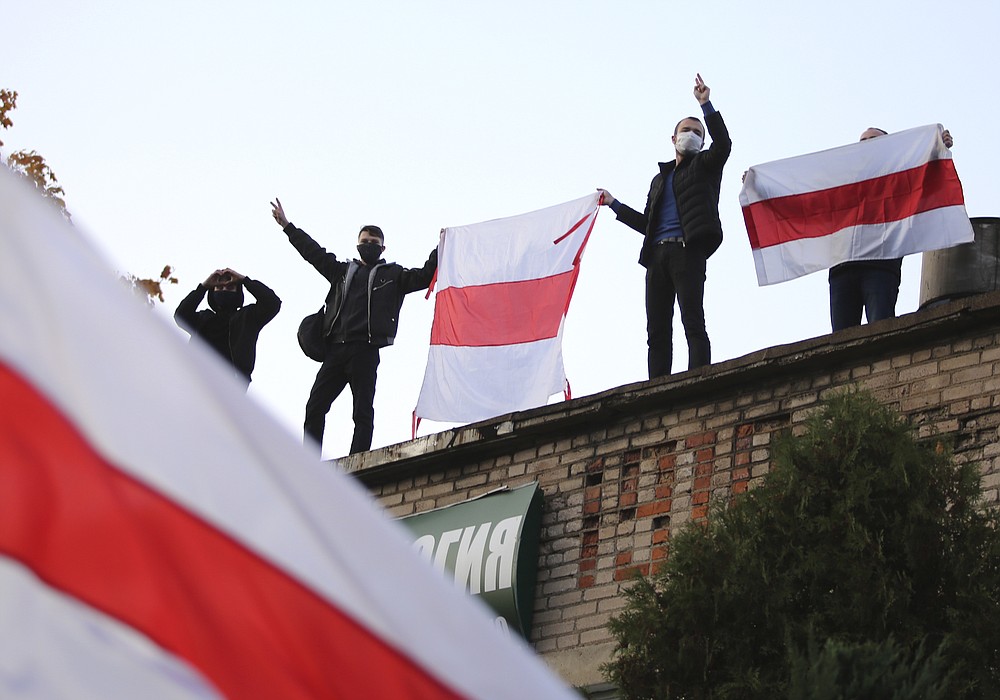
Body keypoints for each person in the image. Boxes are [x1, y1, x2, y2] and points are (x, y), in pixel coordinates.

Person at [270, 198, 438, 455]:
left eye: (374, 243)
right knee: (315, 406)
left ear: (383, 248)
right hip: (336, 349)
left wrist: (441, 248)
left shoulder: (394, 276)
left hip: (366, 351)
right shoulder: (341, 272)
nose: (369, 246)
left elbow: (425, 276)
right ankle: (309, 460)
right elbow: (313, 253)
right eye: (365, 242)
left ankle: (357, 460)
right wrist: (287, 226)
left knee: (362, 410)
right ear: (357, 245)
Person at [598, 74, 732, 379]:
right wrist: (614, 204)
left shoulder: (705, 166)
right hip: (656, 257)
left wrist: (705, 104)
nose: (692, 136)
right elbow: (647, 223)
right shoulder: (659, 180)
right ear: (673, 139)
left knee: (692, 322)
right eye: (686, 131)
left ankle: (699, 379)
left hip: (688, 251)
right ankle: (656, 387)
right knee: (657, 330)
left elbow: (723, 144)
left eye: (697, 133)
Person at [828, 126, 955, 332]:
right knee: (840, 340)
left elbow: (925, 179)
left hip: (880, 267)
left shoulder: (899, 177)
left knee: (880, 332)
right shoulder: (842, 180)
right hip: (843, 268)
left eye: (873, 139)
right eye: (863, 140)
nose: (867, 143)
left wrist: (936, 149)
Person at [174, 268, 281, 387]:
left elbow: (272, 303)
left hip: (232, 383)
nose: (224, 290)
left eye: (230, 287)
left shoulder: (247, 318)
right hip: (197, 379)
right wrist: (204, 287)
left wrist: (244, 280)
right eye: (219, 288)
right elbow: (181, 315)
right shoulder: (203, 319)